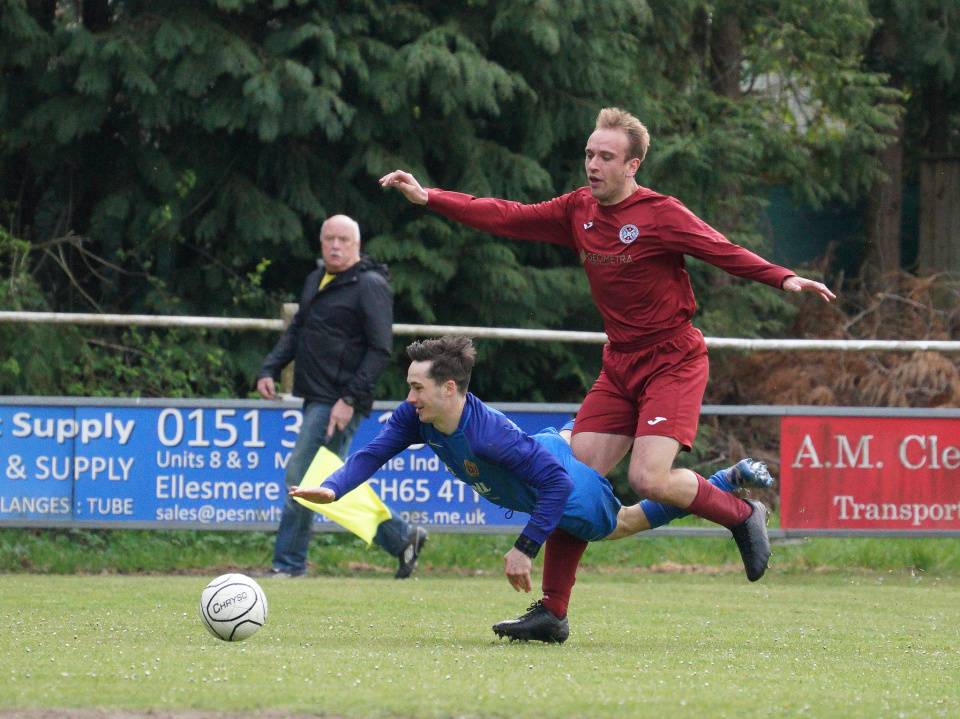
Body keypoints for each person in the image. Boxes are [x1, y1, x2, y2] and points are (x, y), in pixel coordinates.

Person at [379, 107, 834, 631]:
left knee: (648, 478)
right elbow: (506, 214)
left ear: (633, 165)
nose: (593, 165)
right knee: (572, 478)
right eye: (590, 154)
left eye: (606, 157)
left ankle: (742, 514)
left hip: (673, 361)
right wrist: (430, 196)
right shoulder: (577, 209)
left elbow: (720, 249)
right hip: (619, 363)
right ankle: (553, 612)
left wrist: (784, 278)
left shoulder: (661, 212)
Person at [289, 336, 775, 643]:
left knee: (614, 523)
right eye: (410, 386)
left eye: (418, 387)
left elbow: (556, 485)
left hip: (558, 477)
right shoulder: (416, 416)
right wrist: (333, 489)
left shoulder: (487, 436)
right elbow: (372, 453)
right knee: (573, 499)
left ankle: (727, 491)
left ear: (450, 389)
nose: (409, 396)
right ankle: (552, 615)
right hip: (547, 450)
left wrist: (525, 548)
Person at [257, 214, 427, 579]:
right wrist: (269, 368)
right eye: (329, 239)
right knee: (329, 481)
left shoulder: (369, 284)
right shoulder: (317, 279)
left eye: (343, 240)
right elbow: (297, 329)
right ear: (320, 244)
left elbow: (380, 349)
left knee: (301, 477)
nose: (335, 245)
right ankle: (402, 538)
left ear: (357, 246)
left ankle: (288, 565)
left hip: (339, 402)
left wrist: (349, 400)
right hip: (316, 397)